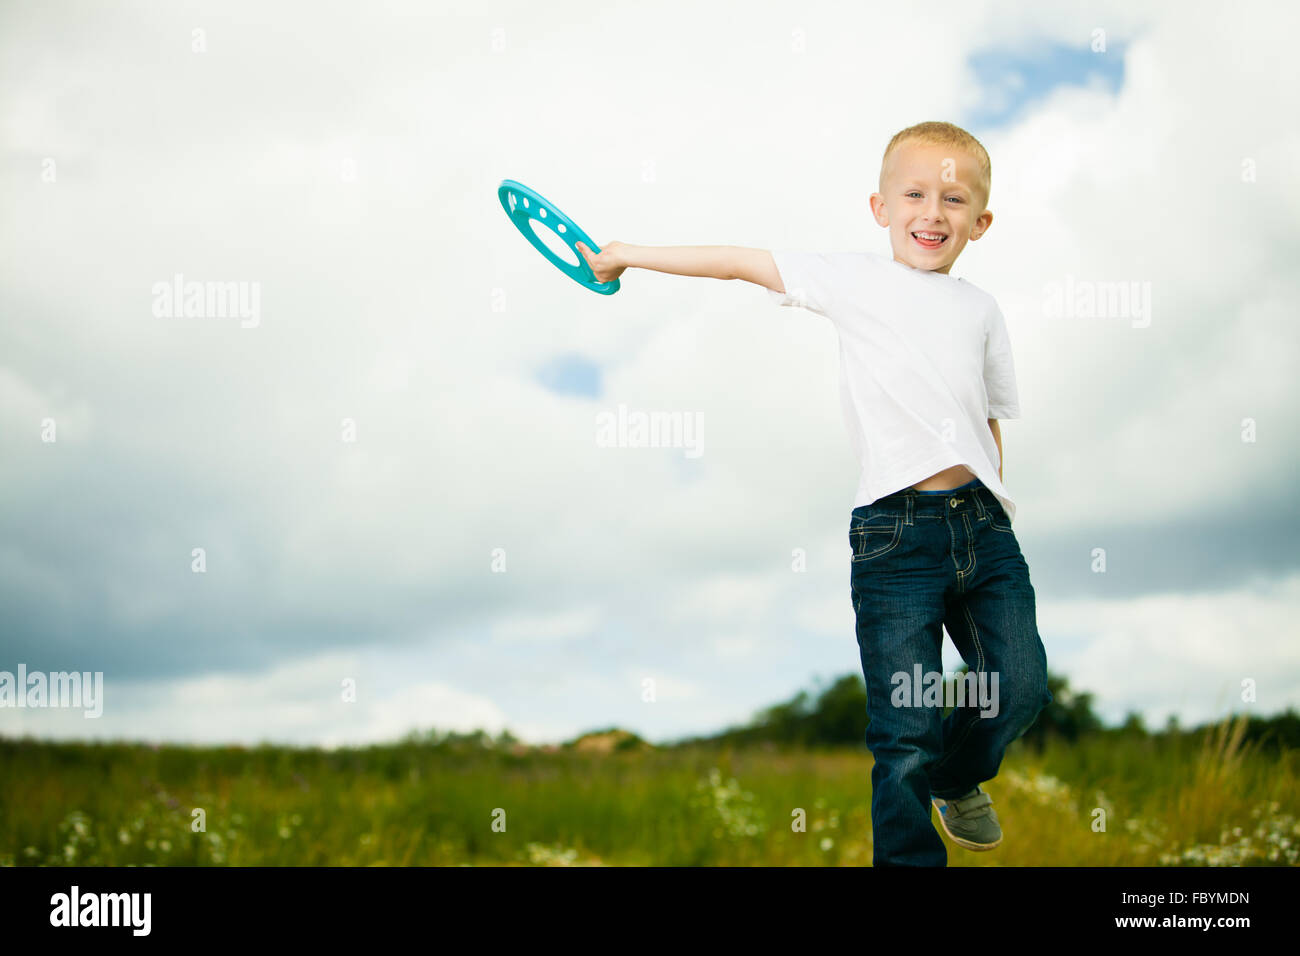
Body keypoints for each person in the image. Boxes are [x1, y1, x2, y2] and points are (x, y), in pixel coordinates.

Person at [575, 120, 1052, 866]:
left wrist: (991, 497)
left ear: (980, 222)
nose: (933, 212)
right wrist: (627, 255)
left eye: (954, 199)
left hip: (985, 533)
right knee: (906, 731)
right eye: (916, 194)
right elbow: (737, 261)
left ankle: (958, 781)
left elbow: (988, 416)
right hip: (896, 538)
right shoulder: (852, 279)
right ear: (880, 208)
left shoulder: (981, 310)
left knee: (1018, 688)